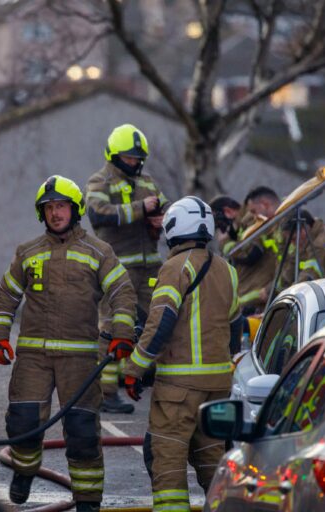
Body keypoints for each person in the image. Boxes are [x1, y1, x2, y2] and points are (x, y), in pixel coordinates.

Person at [0, 175, 137, 511]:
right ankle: (24, 470)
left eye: (61, 206)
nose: (55, 213)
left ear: (76, 209)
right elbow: (7, 295)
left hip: (79, 360)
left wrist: (123, 333)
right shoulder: (27, 252)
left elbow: (122, 292)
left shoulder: (99, 252)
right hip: (33, 357)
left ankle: (88, 500)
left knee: (83, 432)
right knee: (23, 423)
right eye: (49, 208)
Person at [122, 196, 240, 511]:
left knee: (167, 464)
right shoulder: (227, 270)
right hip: (219, 386)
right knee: (212, 462)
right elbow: (234, 325)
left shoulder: (175, 267)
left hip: (179, 389)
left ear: (174, 228)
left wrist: (134, 370)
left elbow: (160, 324)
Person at [85, 123, 169, 414]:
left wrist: (163, 218)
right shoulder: (100, 181)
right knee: (112, 327)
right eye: (129, 157)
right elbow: (99, 214)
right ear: (114, 155)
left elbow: (167, 208)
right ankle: (105, 394)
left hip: (151, 268)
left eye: (137, 158)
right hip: (117, 267)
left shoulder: (148, 182)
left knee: (160, 322)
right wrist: (140, 209)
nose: (134, 162)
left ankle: (154, 381)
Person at [211, 195, 278, 315]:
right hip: (250, 299)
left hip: (259, 298)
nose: (221, 231)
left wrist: (225, 243)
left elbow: (251, 254)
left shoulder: (251, 219)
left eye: (220, 224)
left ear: (228, 211)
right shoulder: (240, 227)